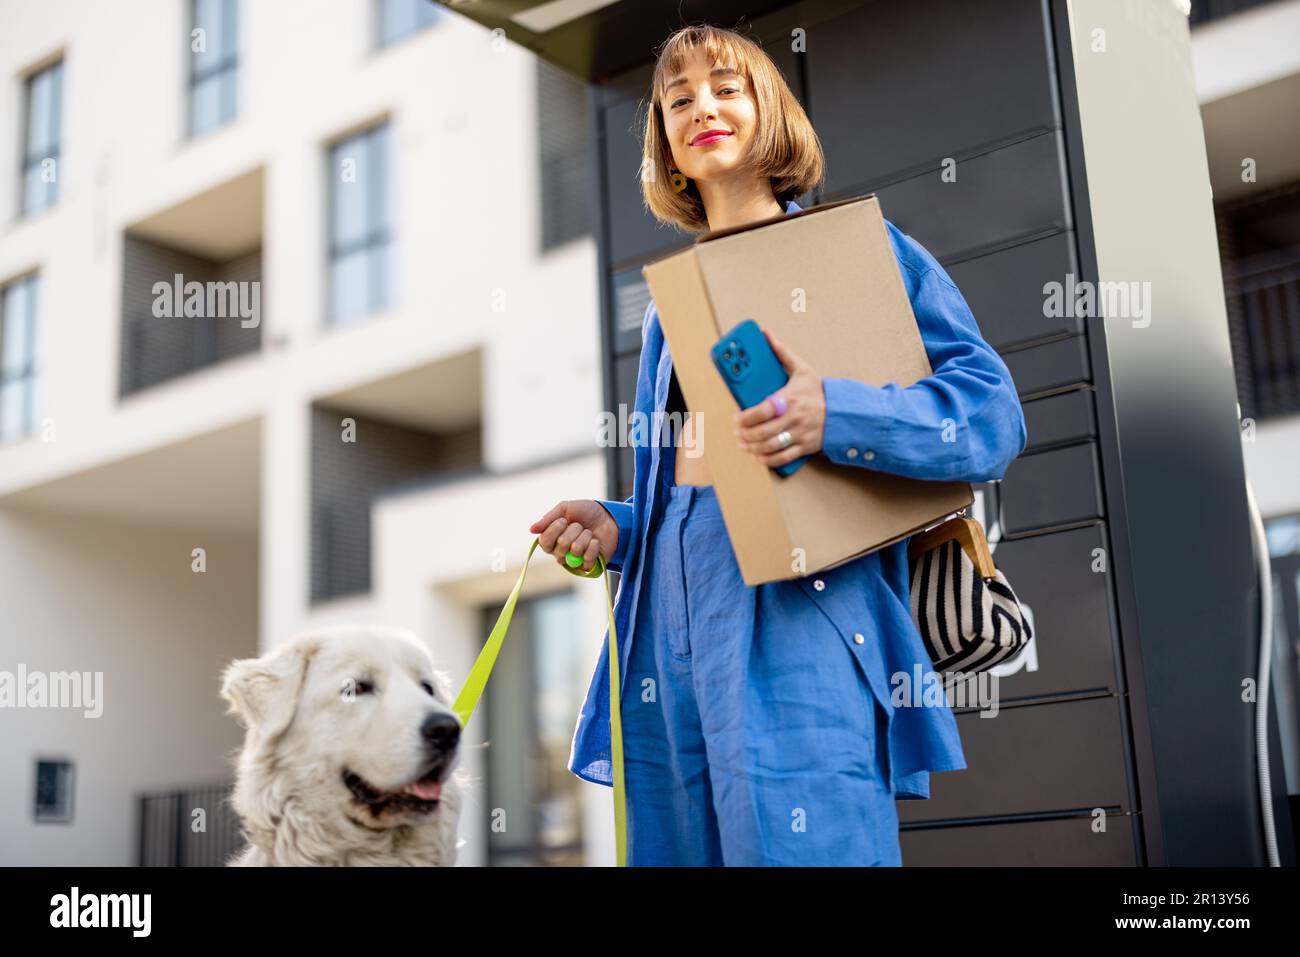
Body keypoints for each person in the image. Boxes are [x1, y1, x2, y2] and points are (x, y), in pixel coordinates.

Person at [528, 23, 1027, 866]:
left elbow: (991, 417)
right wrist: (619, 530)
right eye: (677, 100)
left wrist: (834, 413)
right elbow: (688, 494)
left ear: (773, 113)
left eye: (727, 87)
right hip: (665, 640)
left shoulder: (866, 253)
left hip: (807, 618)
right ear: (665, 145)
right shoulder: (666, 309)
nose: (702, 108)